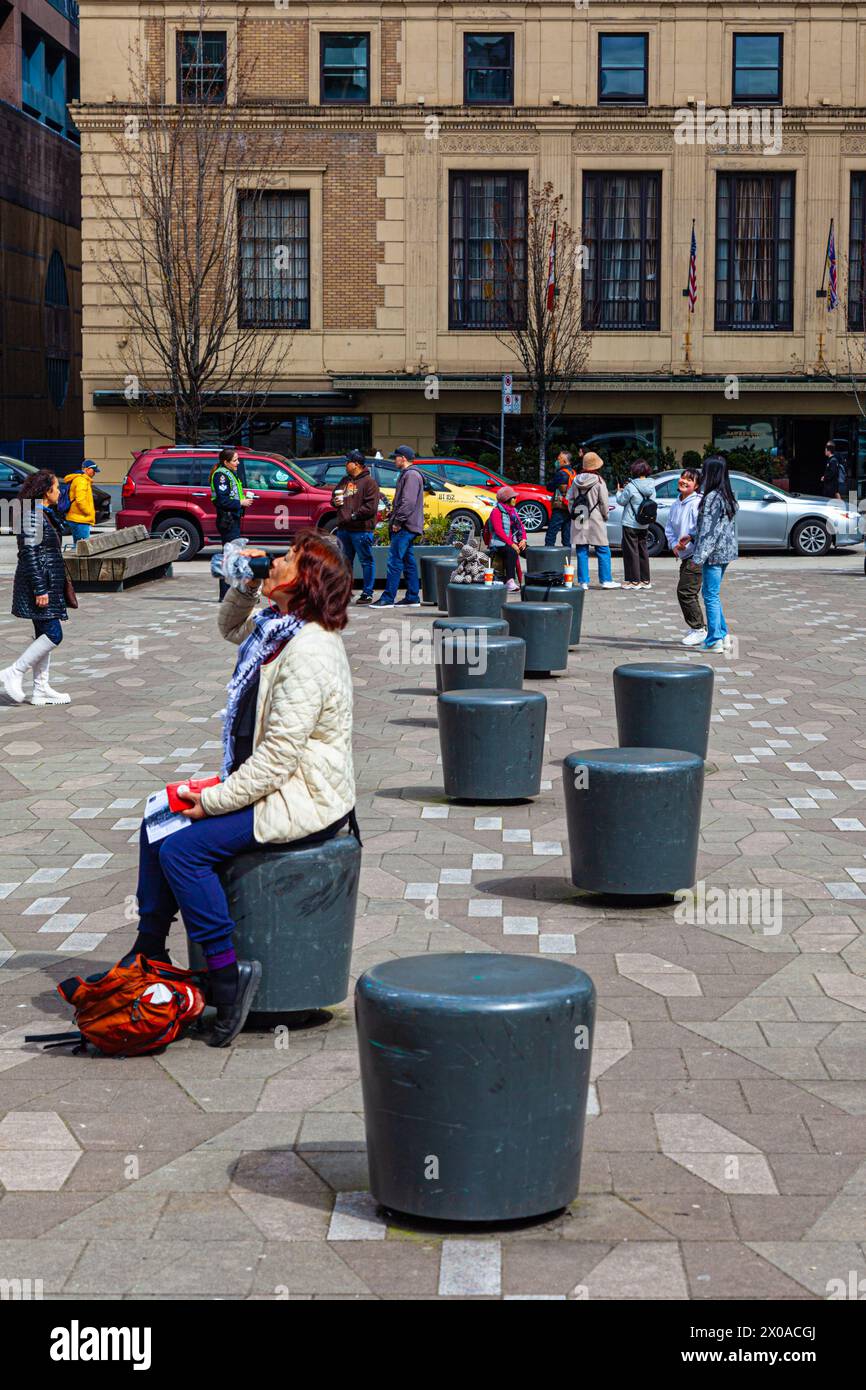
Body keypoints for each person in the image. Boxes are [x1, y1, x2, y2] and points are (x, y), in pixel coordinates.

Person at [120, 530, 357, 1047]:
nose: (275, 562)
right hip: (269, 781)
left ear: (307, 582)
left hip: (302, 796)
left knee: (183, 850)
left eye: (287, 560)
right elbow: (230, 627)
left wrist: (209, 803)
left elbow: (276, 762)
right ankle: (149, 948)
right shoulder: (278, 627)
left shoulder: (308, 650)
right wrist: (246, 584)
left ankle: (227, 979)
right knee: (157, 814)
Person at [0, 470, 71, 705]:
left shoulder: (42, 514)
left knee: (44, 634)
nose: (59, 491)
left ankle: (40, 690)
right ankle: (13, 672)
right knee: (53, 634)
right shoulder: (31, 516)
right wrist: (40, 589)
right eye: (56, 487)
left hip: (48, 583)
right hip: (41, 585)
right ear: (45, 491)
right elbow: (29, 554)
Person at [687, 455, 738, 654]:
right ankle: (722, 635)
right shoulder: (726, 495)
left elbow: (710, 531)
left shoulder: (711, 498)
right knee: (712, 594)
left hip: (714, 553)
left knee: (710, 595)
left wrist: (697, 558)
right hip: (725, 551)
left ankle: (714, 639)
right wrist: (691, 536)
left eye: (704, 470)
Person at [373, 445, 423, 608]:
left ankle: (388, 598)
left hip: (405, 526)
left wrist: (397, 521)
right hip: (408, 525)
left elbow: (408, 502)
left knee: (394, 561)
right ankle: (412, 597)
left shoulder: (411, 475)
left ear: (403, 458)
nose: (394, 460)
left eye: (396, 457)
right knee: (408, 561)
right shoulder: (410, 474)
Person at [331, 450, 380, 604]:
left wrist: (353, 516)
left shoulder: (369, 482)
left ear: (357, 464)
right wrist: (334, 502)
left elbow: (371, 507)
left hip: (361, 529)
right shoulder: (344, 480)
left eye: (348, 462)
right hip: (344, 529)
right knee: (345, 562)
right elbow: (333, 498)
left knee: (366, 561)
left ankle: (367, 593)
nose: (345, 465)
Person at [664, 467, 706, 646]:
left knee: (686, 591)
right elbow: (669, 528)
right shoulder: (676, 503)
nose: (684, 481)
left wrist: (686, 543)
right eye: (682, 478)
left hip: (696, 554)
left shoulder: (698, 503)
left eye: (689, 479)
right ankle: (697, 627)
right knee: (688, 591)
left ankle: (699, 629)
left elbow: (700, 529)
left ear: (696, 485)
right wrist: (674, 544)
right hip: (684, 555)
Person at [566, 451, 619, 589]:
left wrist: (574, 512)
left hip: (580, 515)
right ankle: (606, 580)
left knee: (581, 550)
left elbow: (570, 499)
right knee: (603, 550)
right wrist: (605, 515)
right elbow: (604, 502)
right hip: (595, 517)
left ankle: (583, 582)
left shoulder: (576, 480)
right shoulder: (599, 481)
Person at [211, 447, 253, 600]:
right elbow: (222, 500)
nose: (238, 463)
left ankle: (231, 592)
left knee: (233, 556)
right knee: (230, 557)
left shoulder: (229, 474)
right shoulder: (221, 476)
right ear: (226, 462)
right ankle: (226, 594)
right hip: (227, 520)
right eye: (235, 460)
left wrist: (242, 502)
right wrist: (240, 502)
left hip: (233, 518)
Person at [615, 460, 657, 589]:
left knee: (631, 552)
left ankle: (634, 581)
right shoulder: (651, 485)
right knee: (643, 550)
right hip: (644, 523)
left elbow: (621, 501)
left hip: (630, 523)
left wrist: (618, 491)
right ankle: (645, 580)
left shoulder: (631, 486)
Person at [486, 485, 527, 590]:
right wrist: (512, 544)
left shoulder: (513, 511)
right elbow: (499, 531)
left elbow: (521, 526)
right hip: (499, 543)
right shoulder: (496, 511)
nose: (516, 499)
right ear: (507, 499)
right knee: (511, 552)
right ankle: (510, 581)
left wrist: (523, 539)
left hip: (512, 541)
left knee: (531, 552)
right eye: (513, 497)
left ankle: (535, 578)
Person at [62, 460, 100, 546]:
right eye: (93, 470)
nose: (94, 473)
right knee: (82, 547)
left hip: (76, 517)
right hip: (80, 519)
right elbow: (80, 500)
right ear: (87, 469)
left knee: (78, 546)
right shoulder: (81, 481)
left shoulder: (81, 480)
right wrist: (88, 512)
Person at [545, 450, 576, 547]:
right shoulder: (573, 473)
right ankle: (566, 559)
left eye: (559, 459)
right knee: (567, 535)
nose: (557, 461)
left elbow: (550, 487)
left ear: (565, 462)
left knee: (551, 533)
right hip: (570, 506)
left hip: (560, 506)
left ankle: (548, 556)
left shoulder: (561, 474)